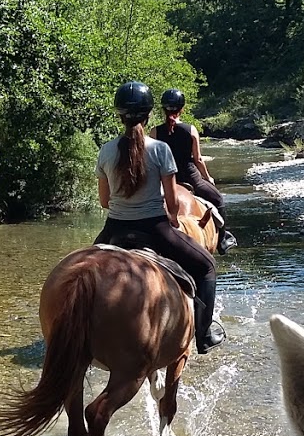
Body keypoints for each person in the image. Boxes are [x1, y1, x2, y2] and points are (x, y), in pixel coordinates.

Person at [94, 81, 225, 354]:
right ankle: (202, 336)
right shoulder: (159, 150)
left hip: (113, 231)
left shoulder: (106, 150)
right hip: (155, 229)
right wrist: (174, 220)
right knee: (206, 267)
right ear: (148, 114)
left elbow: (105, 202)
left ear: (119, 114)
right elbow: (172, 199)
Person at [151, 89, 238, 254]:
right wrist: (208, 178)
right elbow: (198, 159)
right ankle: (223, 240)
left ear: (163, 109)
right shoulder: (190, 130)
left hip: (165, 178)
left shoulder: (155, 132)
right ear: (181, 109)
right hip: (190, 176)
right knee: (218, 200)